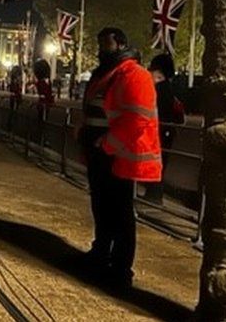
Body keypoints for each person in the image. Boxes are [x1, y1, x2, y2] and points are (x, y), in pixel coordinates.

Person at [76, 27, 161, 288]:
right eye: (100, 43)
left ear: (121, 44)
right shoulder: (107, 73)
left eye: (107, 44)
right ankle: (101, 252)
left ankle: (121, 268)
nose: (102, 49)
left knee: (121, 212)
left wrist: (107, 145)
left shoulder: (134, 74)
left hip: (117, 154)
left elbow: (136, 118)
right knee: (101, 207)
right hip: (101, 152)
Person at [143, 53, 186, 203]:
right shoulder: (170, 89)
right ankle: (154, 194)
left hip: (159, 130)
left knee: (156, 163)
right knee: (160, 163)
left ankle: (153, 195)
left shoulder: (159, 90)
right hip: (166, 131)